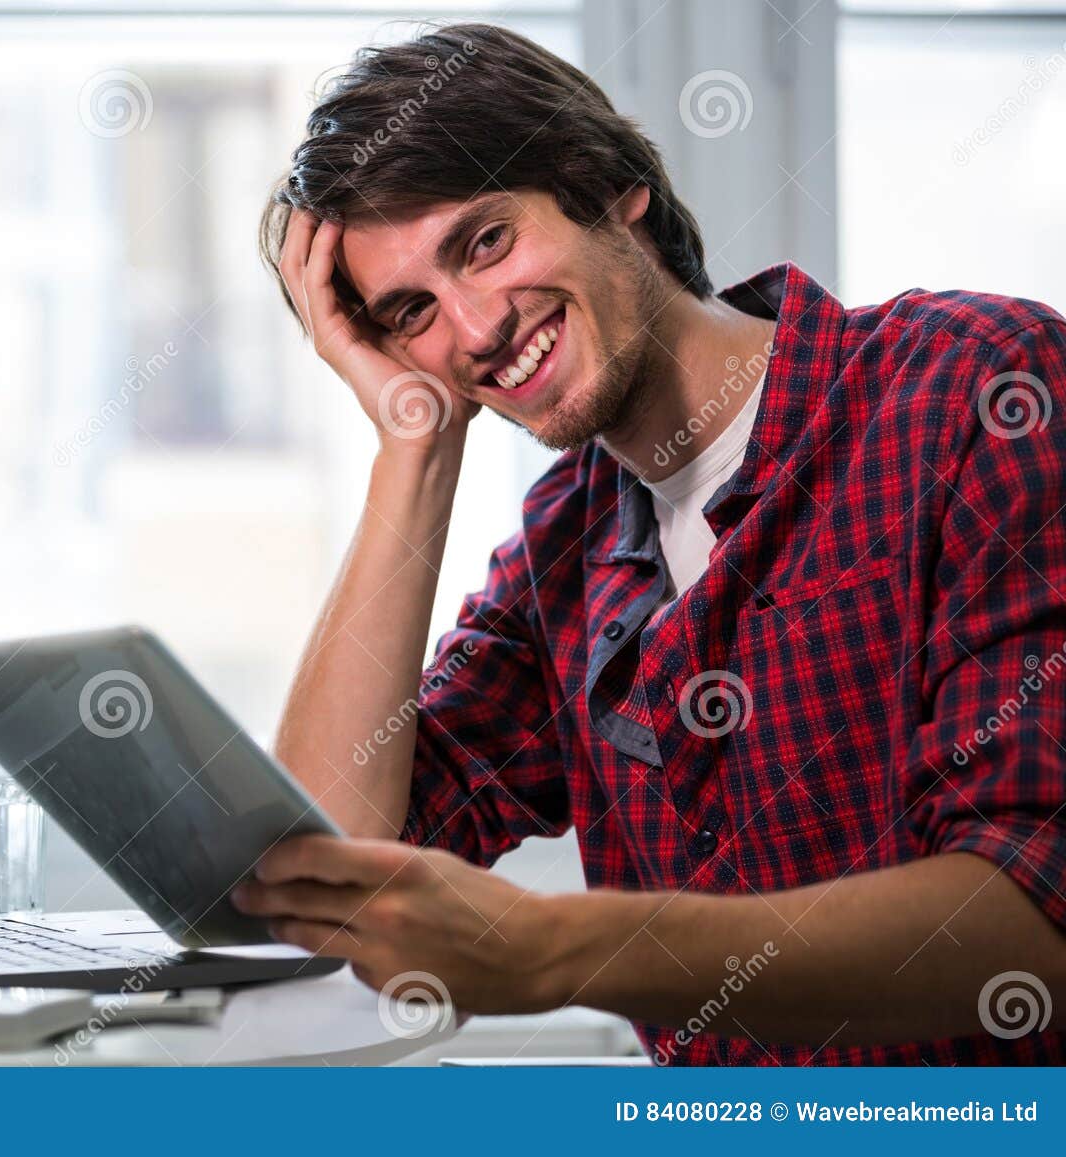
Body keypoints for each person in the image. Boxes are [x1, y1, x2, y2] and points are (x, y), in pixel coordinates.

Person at [228, 21, 1066, 1064]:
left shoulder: (972, 388)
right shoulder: (560, 544)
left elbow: (1035, 911)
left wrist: (558, 947)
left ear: (605, 183)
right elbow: (332, 867)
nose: (478, 328)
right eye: (412, 312)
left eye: (485, 241)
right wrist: (416, 445)